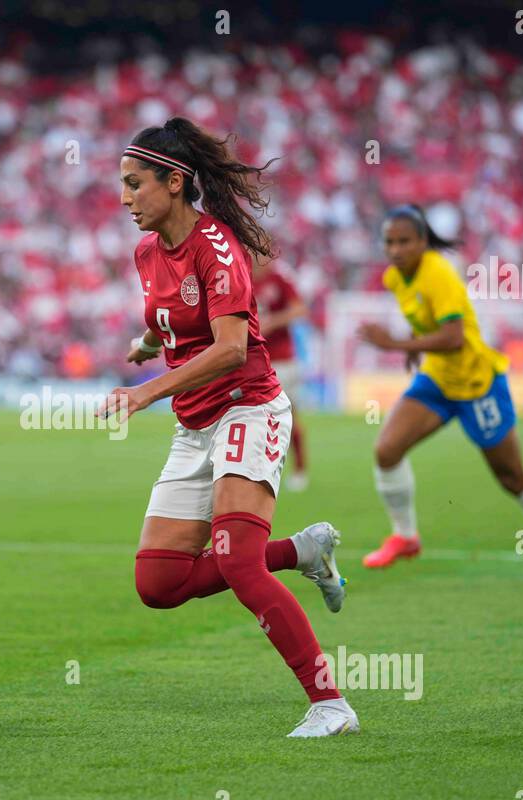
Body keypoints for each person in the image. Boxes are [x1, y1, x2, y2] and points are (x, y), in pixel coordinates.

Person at [107, 117, 357, 738]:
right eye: (122, 185)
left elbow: (230, 348)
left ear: (174, 180)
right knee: (158, 583)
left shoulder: (219, 250)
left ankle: (331, 704)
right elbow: (170, 317)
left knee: (241, 566)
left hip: (247, 406)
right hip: (195, 426)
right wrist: (147, 345)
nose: (124, 198)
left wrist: (145, 393)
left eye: (135, 184)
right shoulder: (146, 252)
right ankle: (301, 552)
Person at [357, 204, 523, 586]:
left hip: (477, 383)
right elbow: (430, 323)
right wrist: (414, 347)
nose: (395, 250)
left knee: (512, 478)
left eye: (404, 242)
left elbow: (455, 336)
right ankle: (406, 537)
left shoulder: (438, 274)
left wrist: (398, 343)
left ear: (423, 242)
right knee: (386, 450)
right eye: (389, 242)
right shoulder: (396, 277)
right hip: (439, 380)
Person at [253, 260, 309, 490]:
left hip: (282, 359)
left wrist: (274, 322)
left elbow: (300, 309)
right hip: (253, 360)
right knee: (256, 417)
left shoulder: (279, 278)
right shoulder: (239, 275)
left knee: (289, 415)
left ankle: (300, 468)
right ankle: (259, 470)